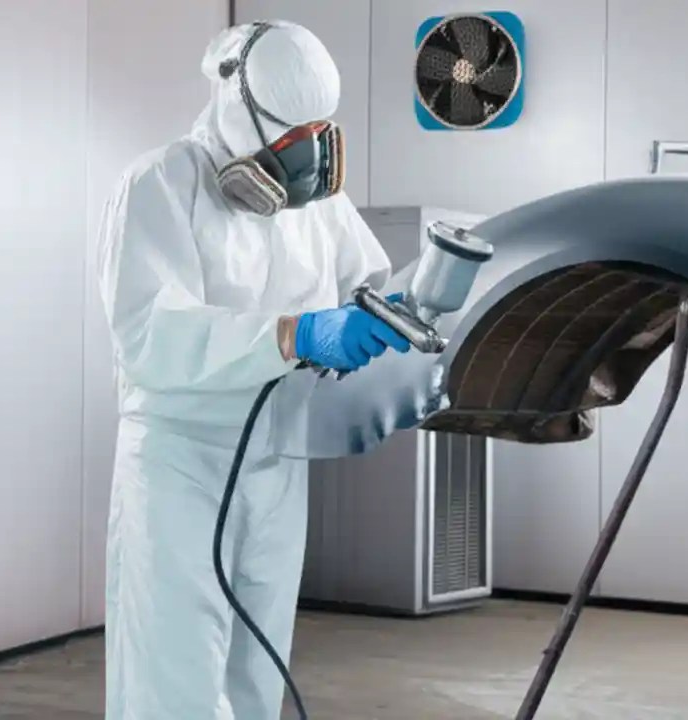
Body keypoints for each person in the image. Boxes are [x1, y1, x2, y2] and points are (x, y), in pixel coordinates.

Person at [97, 20, 409, 720]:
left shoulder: (316, 205)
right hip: (179, 465)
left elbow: (368, 279)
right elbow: (150, 333)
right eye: (290, 136)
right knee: (172, 676)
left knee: (258, 669)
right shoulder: (160, 184)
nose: (307, 157)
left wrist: (389, 310)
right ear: (236, 103)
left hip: (274, 459)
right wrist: (296, 332)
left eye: (317, 133)